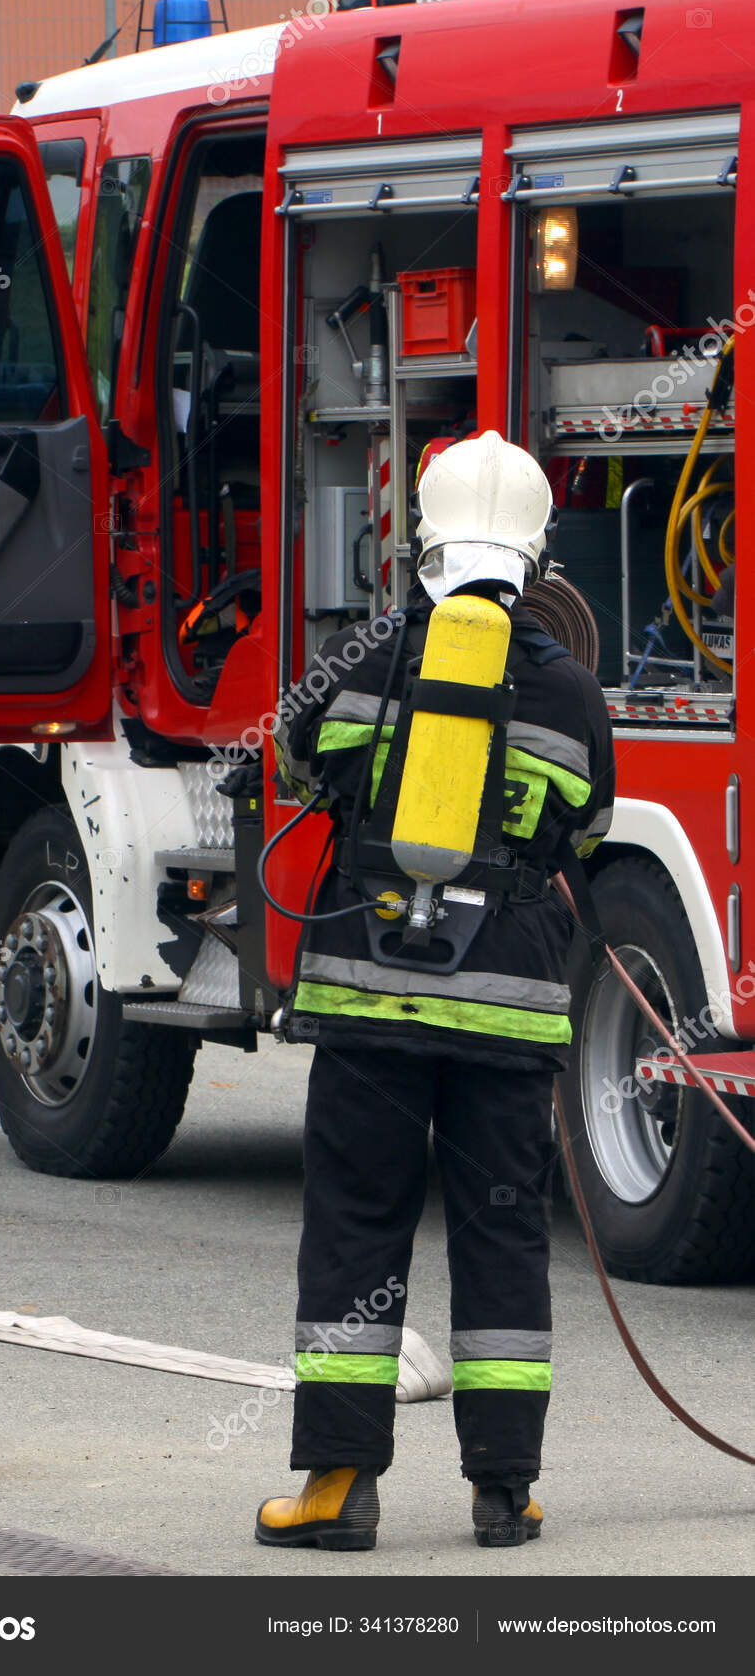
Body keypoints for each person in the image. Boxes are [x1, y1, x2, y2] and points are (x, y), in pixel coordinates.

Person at [257, 431, 615, 1551]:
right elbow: (590, 826)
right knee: (502, 1235)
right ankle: (505, 1491)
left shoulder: (362, 659)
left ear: (424, 541)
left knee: (356, 1230)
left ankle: (338, 1487)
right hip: (507, 1010)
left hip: (371, 1002)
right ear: (536, 552)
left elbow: (295, 759)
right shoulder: (571, 690)